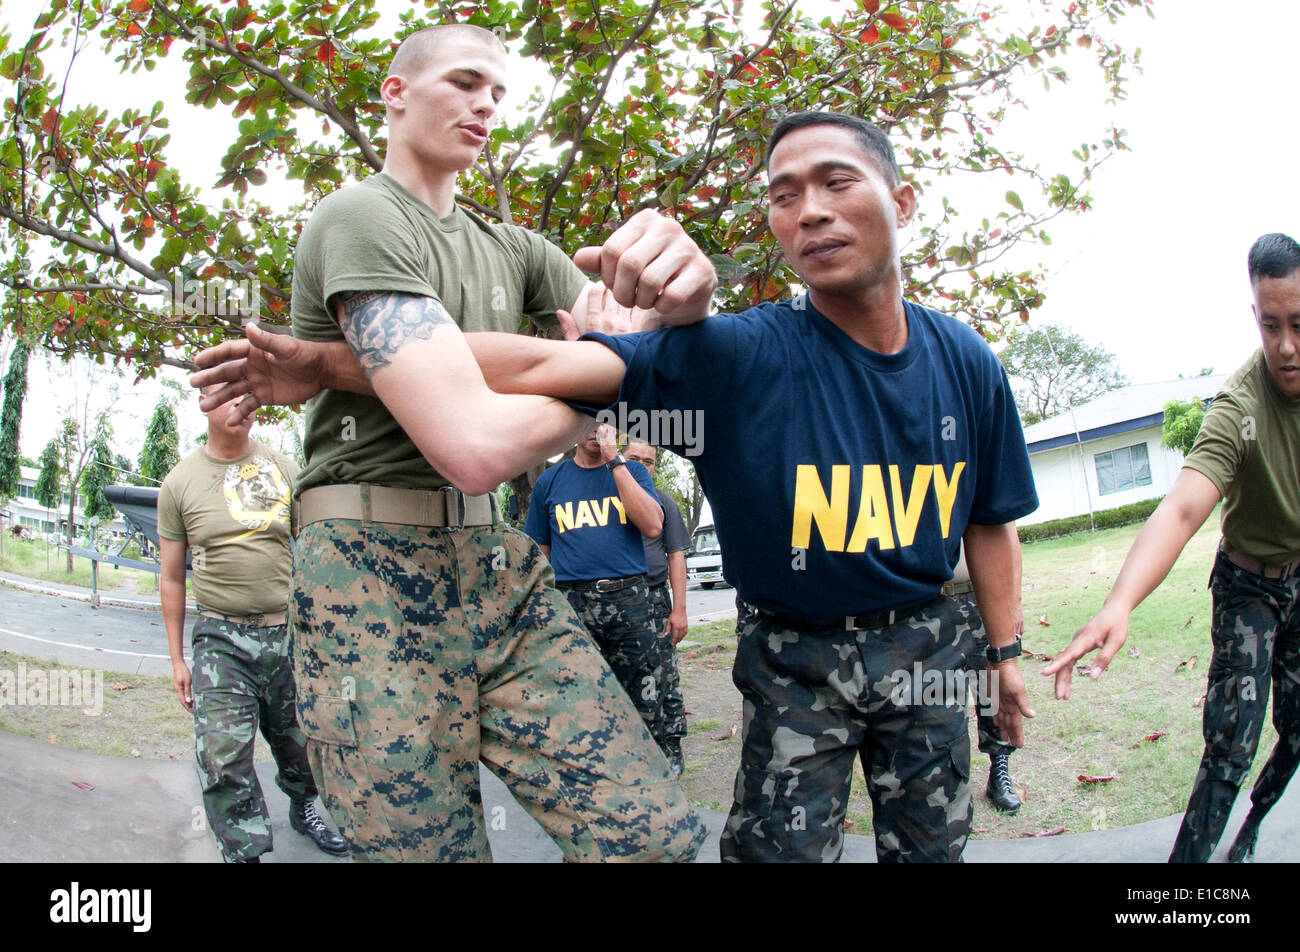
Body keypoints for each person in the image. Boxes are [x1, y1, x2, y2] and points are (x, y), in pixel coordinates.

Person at [195, 111, 1038, 863]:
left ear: (904, 200)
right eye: (785, 195)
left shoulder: (965, 361)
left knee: (933, 847)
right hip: (796, 660)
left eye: (836, 181)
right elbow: (535, 362)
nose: (810, 208)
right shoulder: (738, 354)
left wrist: (1005, 656)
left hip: (928, 649)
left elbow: (991, 521)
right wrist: (323, 364)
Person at [193, 23, 713, 862]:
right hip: (365, 567)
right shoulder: (360, 216)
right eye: (467, 81)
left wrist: (680, 297)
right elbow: (469, 442)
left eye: (500, 94)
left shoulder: (517, 248)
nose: (487, 105)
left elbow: (650, 337)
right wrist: (596, 380)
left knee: (656, 836)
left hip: (492, 559)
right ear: (394, 93)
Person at [1047, 233, 1300, 863]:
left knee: (1297, 734)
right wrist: (1119, 601)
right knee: (1231, 747)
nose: (1287, 346)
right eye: (1272, 326)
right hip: (1250, 588)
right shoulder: (1239, 408)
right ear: (1255, 318)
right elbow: (1184, 507)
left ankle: (1250, 835)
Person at [160, 386, 346, 862]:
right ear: (203, 401)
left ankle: (302, 806)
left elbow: (313, 551)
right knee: (222, 756)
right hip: (220, 639)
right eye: (227, 396)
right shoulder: (180, 484)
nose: (242, 406)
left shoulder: (285, 470)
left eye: (248, 396)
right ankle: (245, 852)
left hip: (287, 633)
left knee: (302, 747)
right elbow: (170, 577)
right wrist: (178, 658)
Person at [524, 425, 669, 758]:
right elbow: (539, 552)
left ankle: (647, 771)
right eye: (585, 420)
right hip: (571, 601)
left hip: (628, 600)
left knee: (643, 694)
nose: (595, 428)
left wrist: (614, 461)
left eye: (604, 420)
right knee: (579, 694)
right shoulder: (550, 481)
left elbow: (652, 525)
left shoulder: (631, 470)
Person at [624, 440, 692, 776]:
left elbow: (676, 556)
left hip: (653, 598)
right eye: (633, 458)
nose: (641, 466)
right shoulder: (605, 498)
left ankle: (672, 749)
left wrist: (679, 609)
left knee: (664, 675)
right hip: (615, 602)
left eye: (648, 462)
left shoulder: (663, 501)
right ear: (620, 456)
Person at [948, 546, 1024, 813]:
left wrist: (1013, 603)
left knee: (990, 687)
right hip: (928, 604)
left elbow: (1006, 538)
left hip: (980, 595)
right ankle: (946, 782)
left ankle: (999, 770)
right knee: (935, 697)